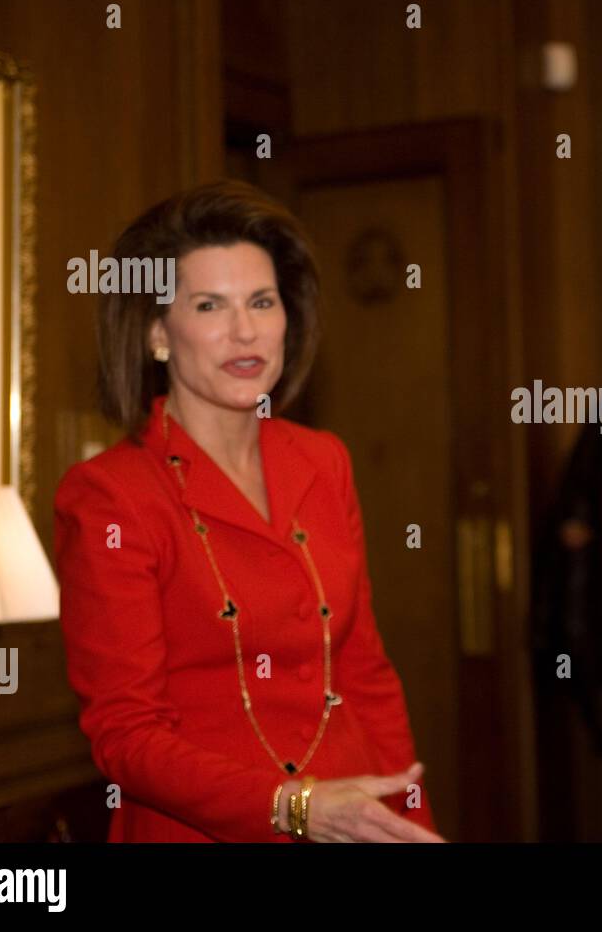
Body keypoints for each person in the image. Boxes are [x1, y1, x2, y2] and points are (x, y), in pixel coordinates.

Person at [55, 180, 443, 843]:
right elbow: (126, 737)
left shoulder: (323, 461)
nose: (245, 330)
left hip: (354, 825)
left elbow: (363, 673)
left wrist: (411, 824)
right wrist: (296, 807)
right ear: (156, 335)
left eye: (262, 302)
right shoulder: (112, 495)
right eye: (210, 305)